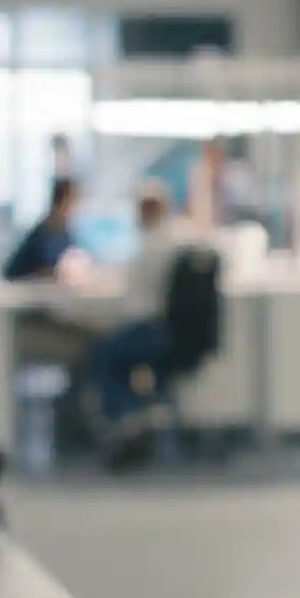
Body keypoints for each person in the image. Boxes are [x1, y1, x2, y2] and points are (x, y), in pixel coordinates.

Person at [88, 182, 194, 467]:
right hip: (175, 333)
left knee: (102, 352)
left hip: (152, 331)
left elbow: (135, 305)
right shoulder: (177, 242)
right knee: (113, 348)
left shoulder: (152, 248)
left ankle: (127, 416)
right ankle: (133, 414)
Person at [4, 179, 78, 281]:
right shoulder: (48, 230)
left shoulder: (64, 232)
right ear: (64, 201)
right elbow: (46, 269)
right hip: (21, 288)